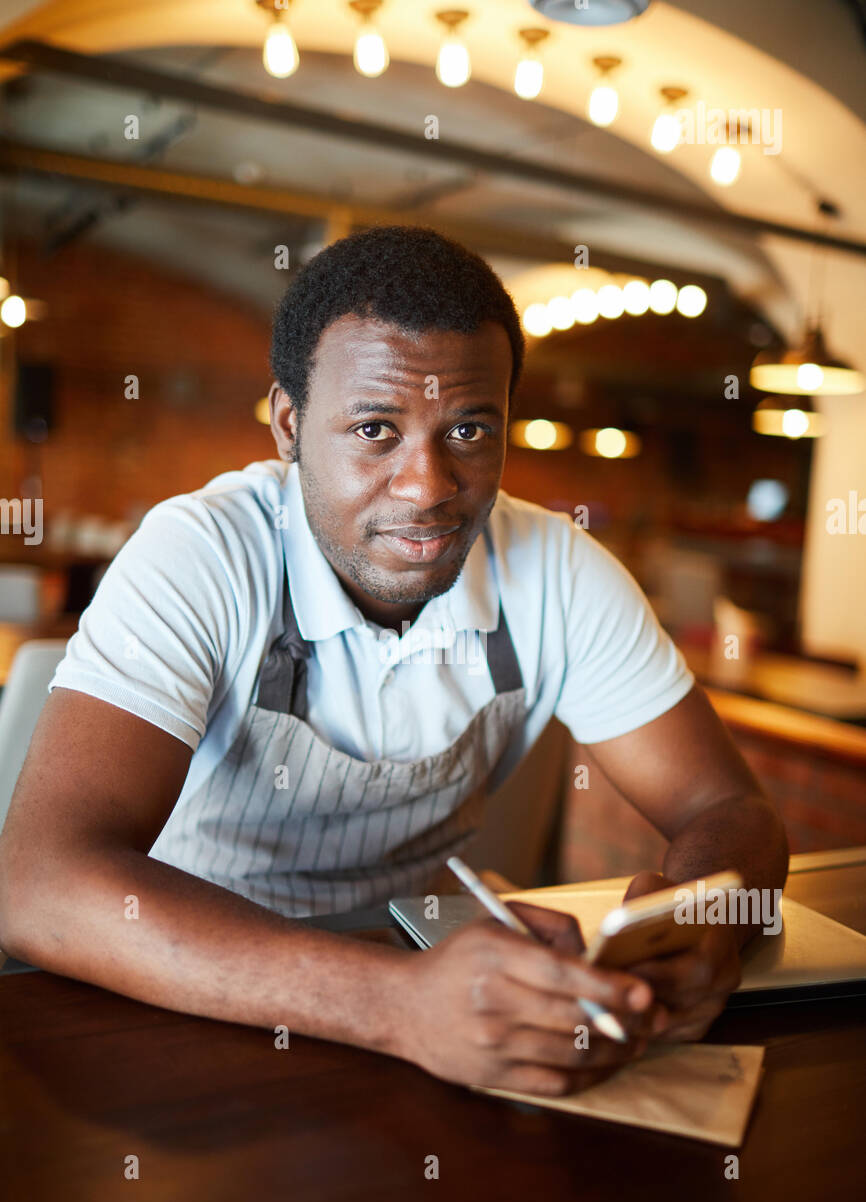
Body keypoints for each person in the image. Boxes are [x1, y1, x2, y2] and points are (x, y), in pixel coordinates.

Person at [0, 226, 788, 1098]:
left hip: (434, 1008)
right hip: (178, 1002)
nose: (428, 484)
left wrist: (703, 924)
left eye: (468, 429)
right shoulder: (202, 554)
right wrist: (398, 1006)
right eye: (375, 429)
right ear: (290, 425)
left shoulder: (558, 569)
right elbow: (41, 886)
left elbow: (727, 807)